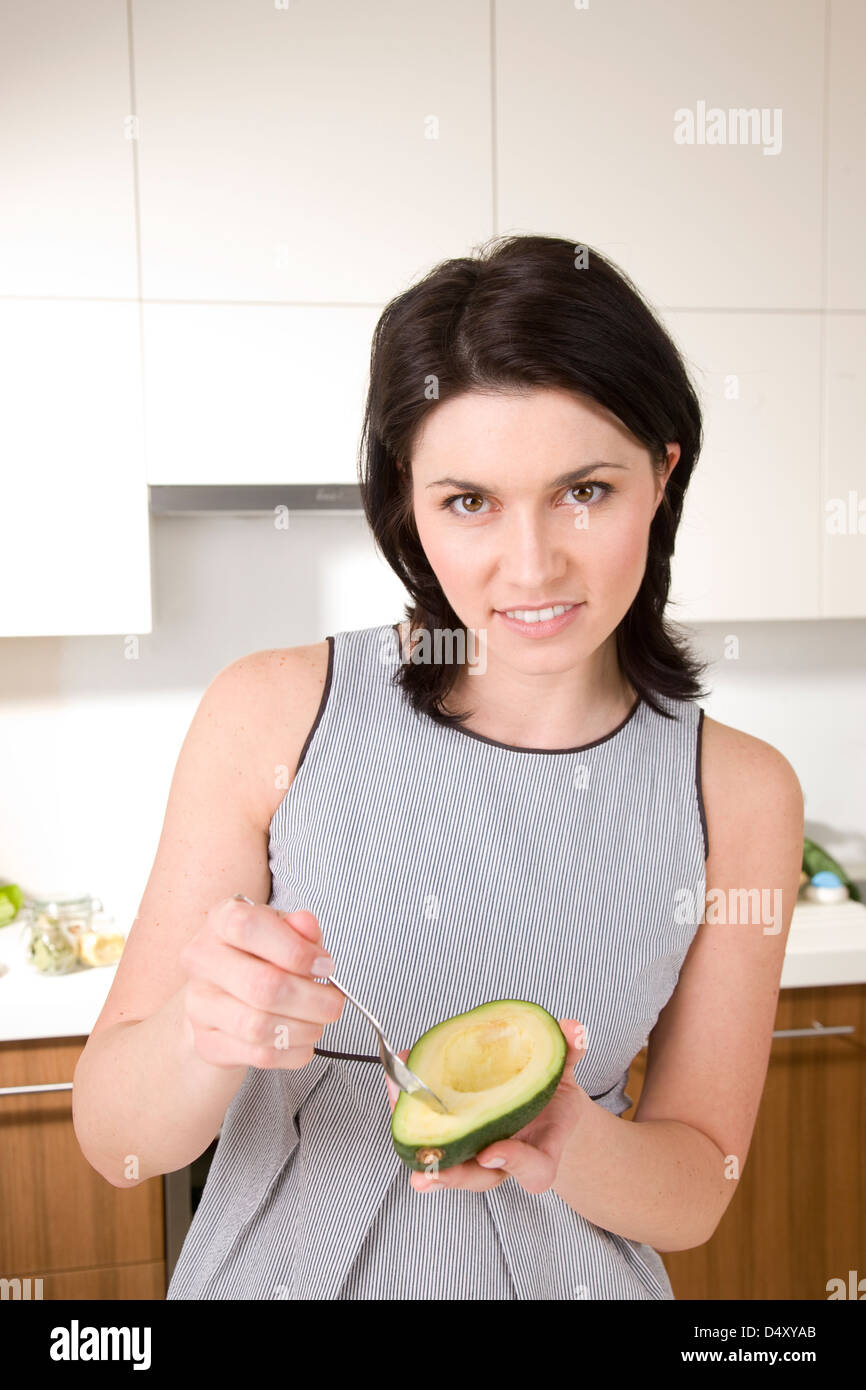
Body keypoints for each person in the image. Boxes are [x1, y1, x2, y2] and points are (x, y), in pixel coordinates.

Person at [73, 234, 803, 1300]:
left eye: (584, 489)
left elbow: (697, 1187)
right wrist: (203, 1032)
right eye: (468, 501)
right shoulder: (270, 711)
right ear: (406, 505)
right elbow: (116, 1143)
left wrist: (570, 1139)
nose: (531, 563)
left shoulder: (738, 792)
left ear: (663, 472)